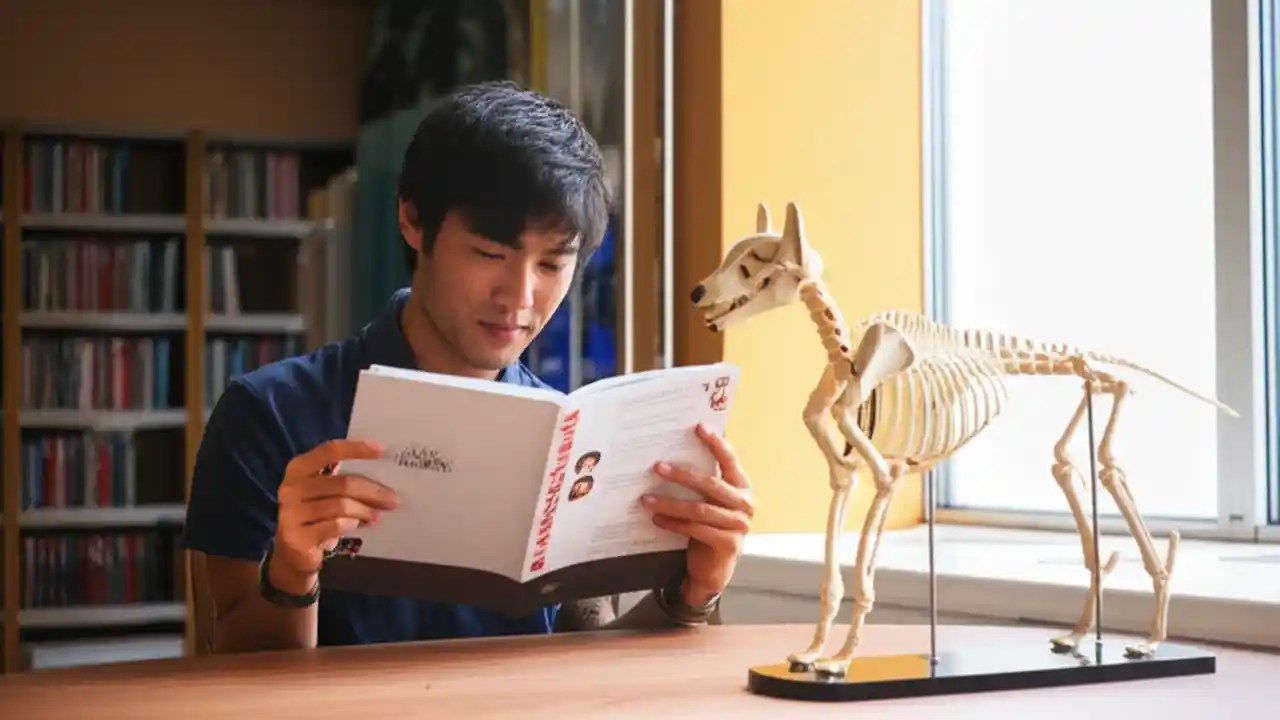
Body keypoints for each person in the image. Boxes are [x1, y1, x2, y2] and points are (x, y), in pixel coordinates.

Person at [182, 81, 756, 653]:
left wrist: (692, 593)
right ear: (412, 220)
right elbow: (228, 663)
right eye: (490, 255)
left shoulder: (565, 435)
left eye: (554, 264)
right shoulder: (269, 413)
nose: (520, 296)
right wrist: (291, 572)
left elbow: (585, 663)